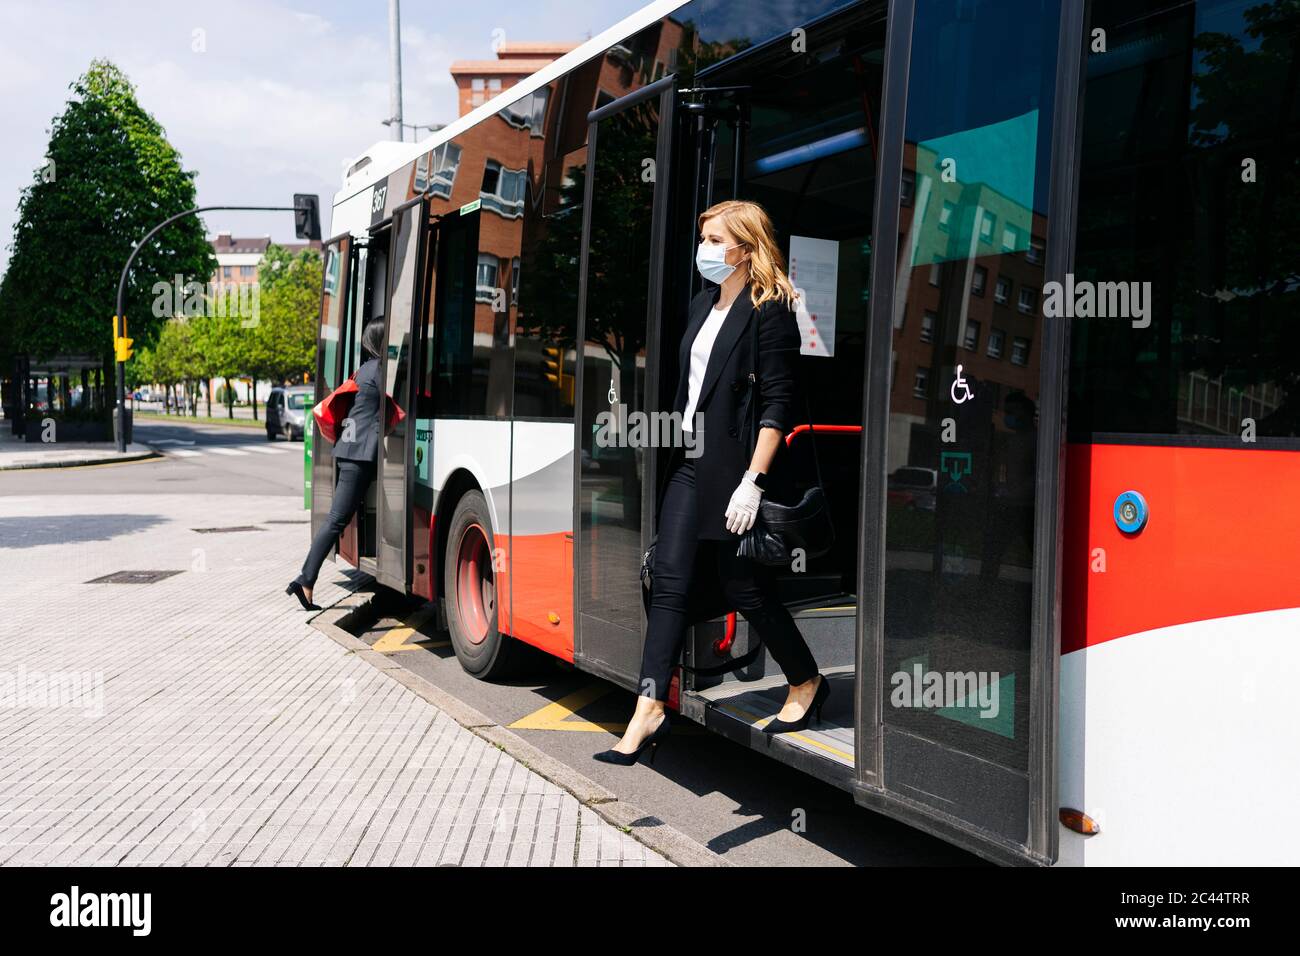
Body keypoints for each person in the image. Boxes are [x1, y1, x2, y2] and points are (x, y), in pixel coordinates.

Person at [594, 199, 828, 766]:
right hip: (691, 463)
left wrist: (753, 481)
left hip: (734, 469)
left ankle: (805, 680)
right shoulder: (702, 304)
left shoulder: (770, 309)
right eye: (703, 238)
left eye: (716, 239)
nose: (705, 249)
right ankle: (648, 707)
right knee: (669, 577)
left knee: (743, 584)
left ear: (746, 248)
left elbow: (778, 403)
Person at [286, 317, 387, 610]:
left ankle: (305, 581)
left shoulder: (365, 370)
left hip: (351, 451)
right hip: (358, 455)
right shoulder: (380, 371)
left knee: (337, 518)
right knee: (335, 519)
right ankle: (304, 580)